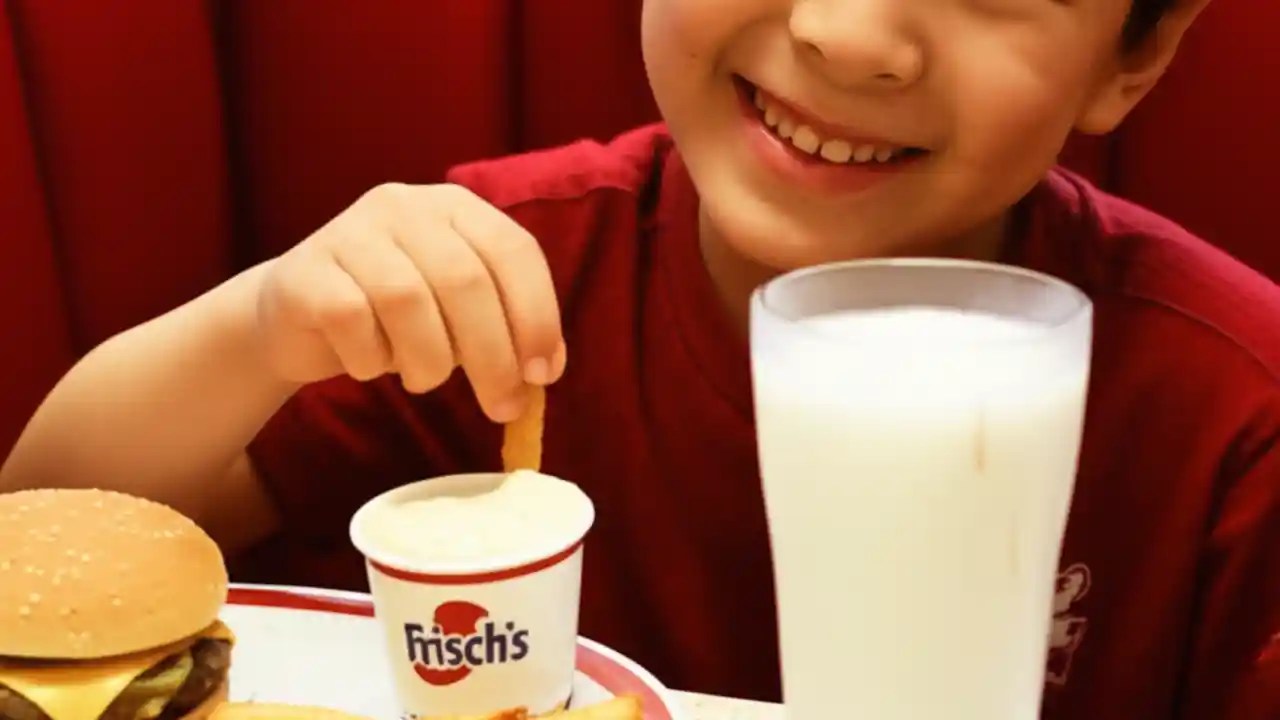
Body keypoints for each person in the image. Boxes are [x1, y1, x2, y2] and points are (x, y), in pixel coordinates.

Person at [2, 0, 1276, 716]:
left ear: (1137, 57)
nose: (846, 32)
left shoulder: (1228, 405)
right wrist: (262, 323)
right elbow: (40, 548)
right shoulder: (496, 288)